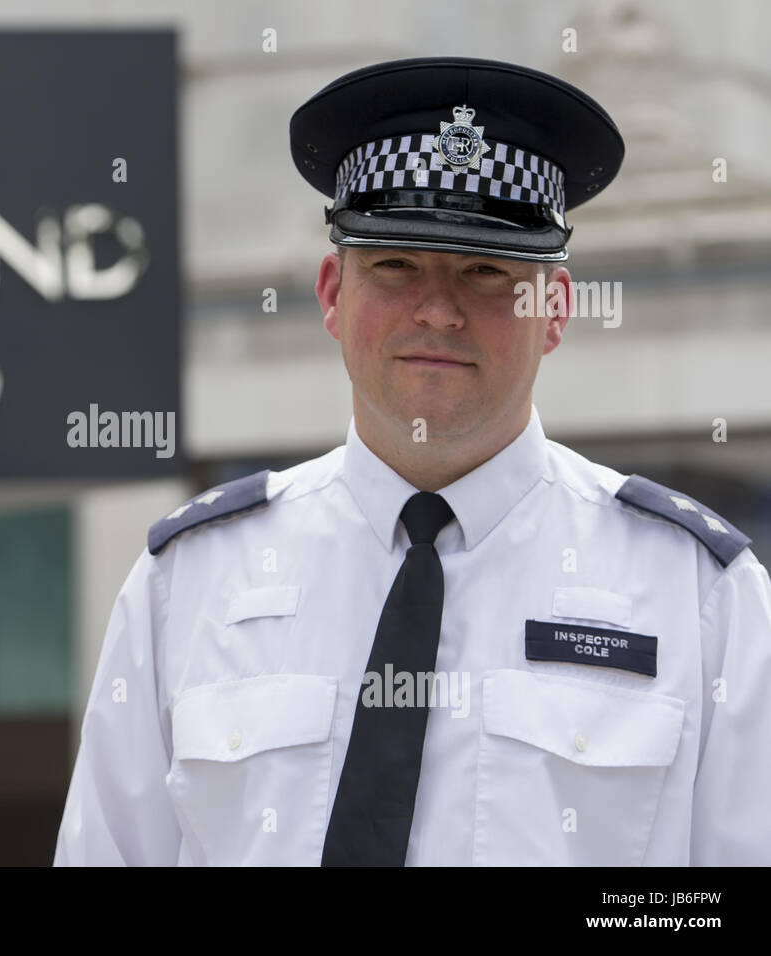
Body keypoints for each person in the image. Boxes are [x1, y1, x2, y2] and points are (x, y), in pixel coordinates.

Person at [52, 57, 771, 866]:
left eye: (487, 271)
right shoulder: (185, 587)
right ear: (332, 291)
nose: (438, 309)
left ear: (557, 308)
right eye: (395, 265)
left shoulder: (701, 598)